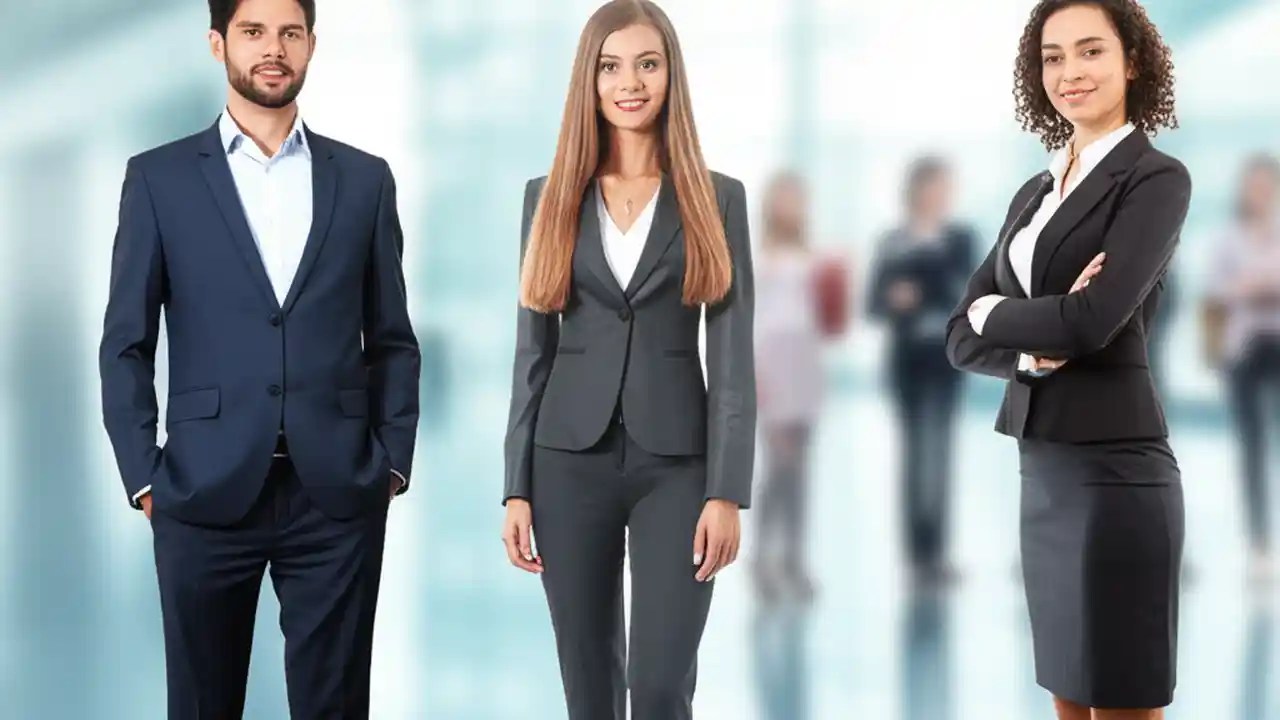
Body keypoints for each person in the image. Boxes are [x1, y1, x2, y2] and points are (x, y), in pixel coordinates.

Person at [98, 1, 419, 717]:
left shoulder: (364, 181)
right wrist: (144, 479)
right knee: (203, 705)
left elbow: (392, 338)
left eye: (289, 33)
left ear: (311, 44)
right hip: (199, 491)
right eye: (252, 32)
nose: (272, 49)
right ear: (217, 44)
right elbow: (125, 342)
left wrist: (390, 463)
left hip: (336, 494)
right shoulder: (159, 179)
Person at [499, 1, 755, 717]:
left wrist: (727, 490)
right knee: (588, 685)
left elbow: (733, 357)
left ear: (671, 74)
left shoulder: (717, 198)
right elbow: (531, 352)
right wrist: (514, 486)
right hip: (564, 461)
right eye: (610, 67)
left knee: (662, 683)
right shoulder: (547, 199)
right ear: (590, 80)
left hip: (677, 467)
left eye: (647, 63)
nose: (629, 82)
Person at [945, 1, 1189, 717]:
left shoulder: (1154, 179)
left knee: (1119, 698)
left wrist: (998, 313)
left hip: (1117, 473)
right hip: (1042, 465)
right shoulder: (1035, 193)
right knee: (1067, 699)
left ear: (1132, 61)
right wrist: (1026, 344)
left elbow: (1092, 321)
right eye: (1053, 57)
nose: (1070, 72)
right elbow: (959, 336)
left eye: (1090, 52)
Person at [868, 156, 974, 584]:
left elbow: (968, 290)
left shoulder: (959, 239)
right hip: (907, 366)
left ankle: (937, 554)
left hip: (945, 364)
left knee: (940, 456)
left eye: (944, 188)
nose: (939, 197)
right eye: (932, 187)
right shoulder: (892, 242)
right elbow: (873, 303)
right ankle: (917, 556)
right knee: (914, 458)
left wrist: (920, 287)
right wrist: (894, 299)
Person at [1206, 153, 1280, 582]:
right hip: (1244, 350)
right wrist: (1248, 287)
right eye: (1253, 185)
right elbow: (1217, 293)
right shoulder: (1225, 239)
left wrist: (1257, 285)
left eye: (1266, 185)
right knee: (1251, 447)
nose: (1260, 192)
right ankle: (1259, 546)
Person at [753, 171, 825, 602]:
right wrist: (758, 375)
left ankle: (795, 559)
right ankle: (764, 560)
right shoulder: (758, 254)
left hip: (804, 358)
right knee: (779, 466)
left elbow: (819, 314)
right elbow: (754, 318)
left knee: (801, 470)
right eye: (785, 197)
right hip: (772, 358)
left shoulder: (809, 252)